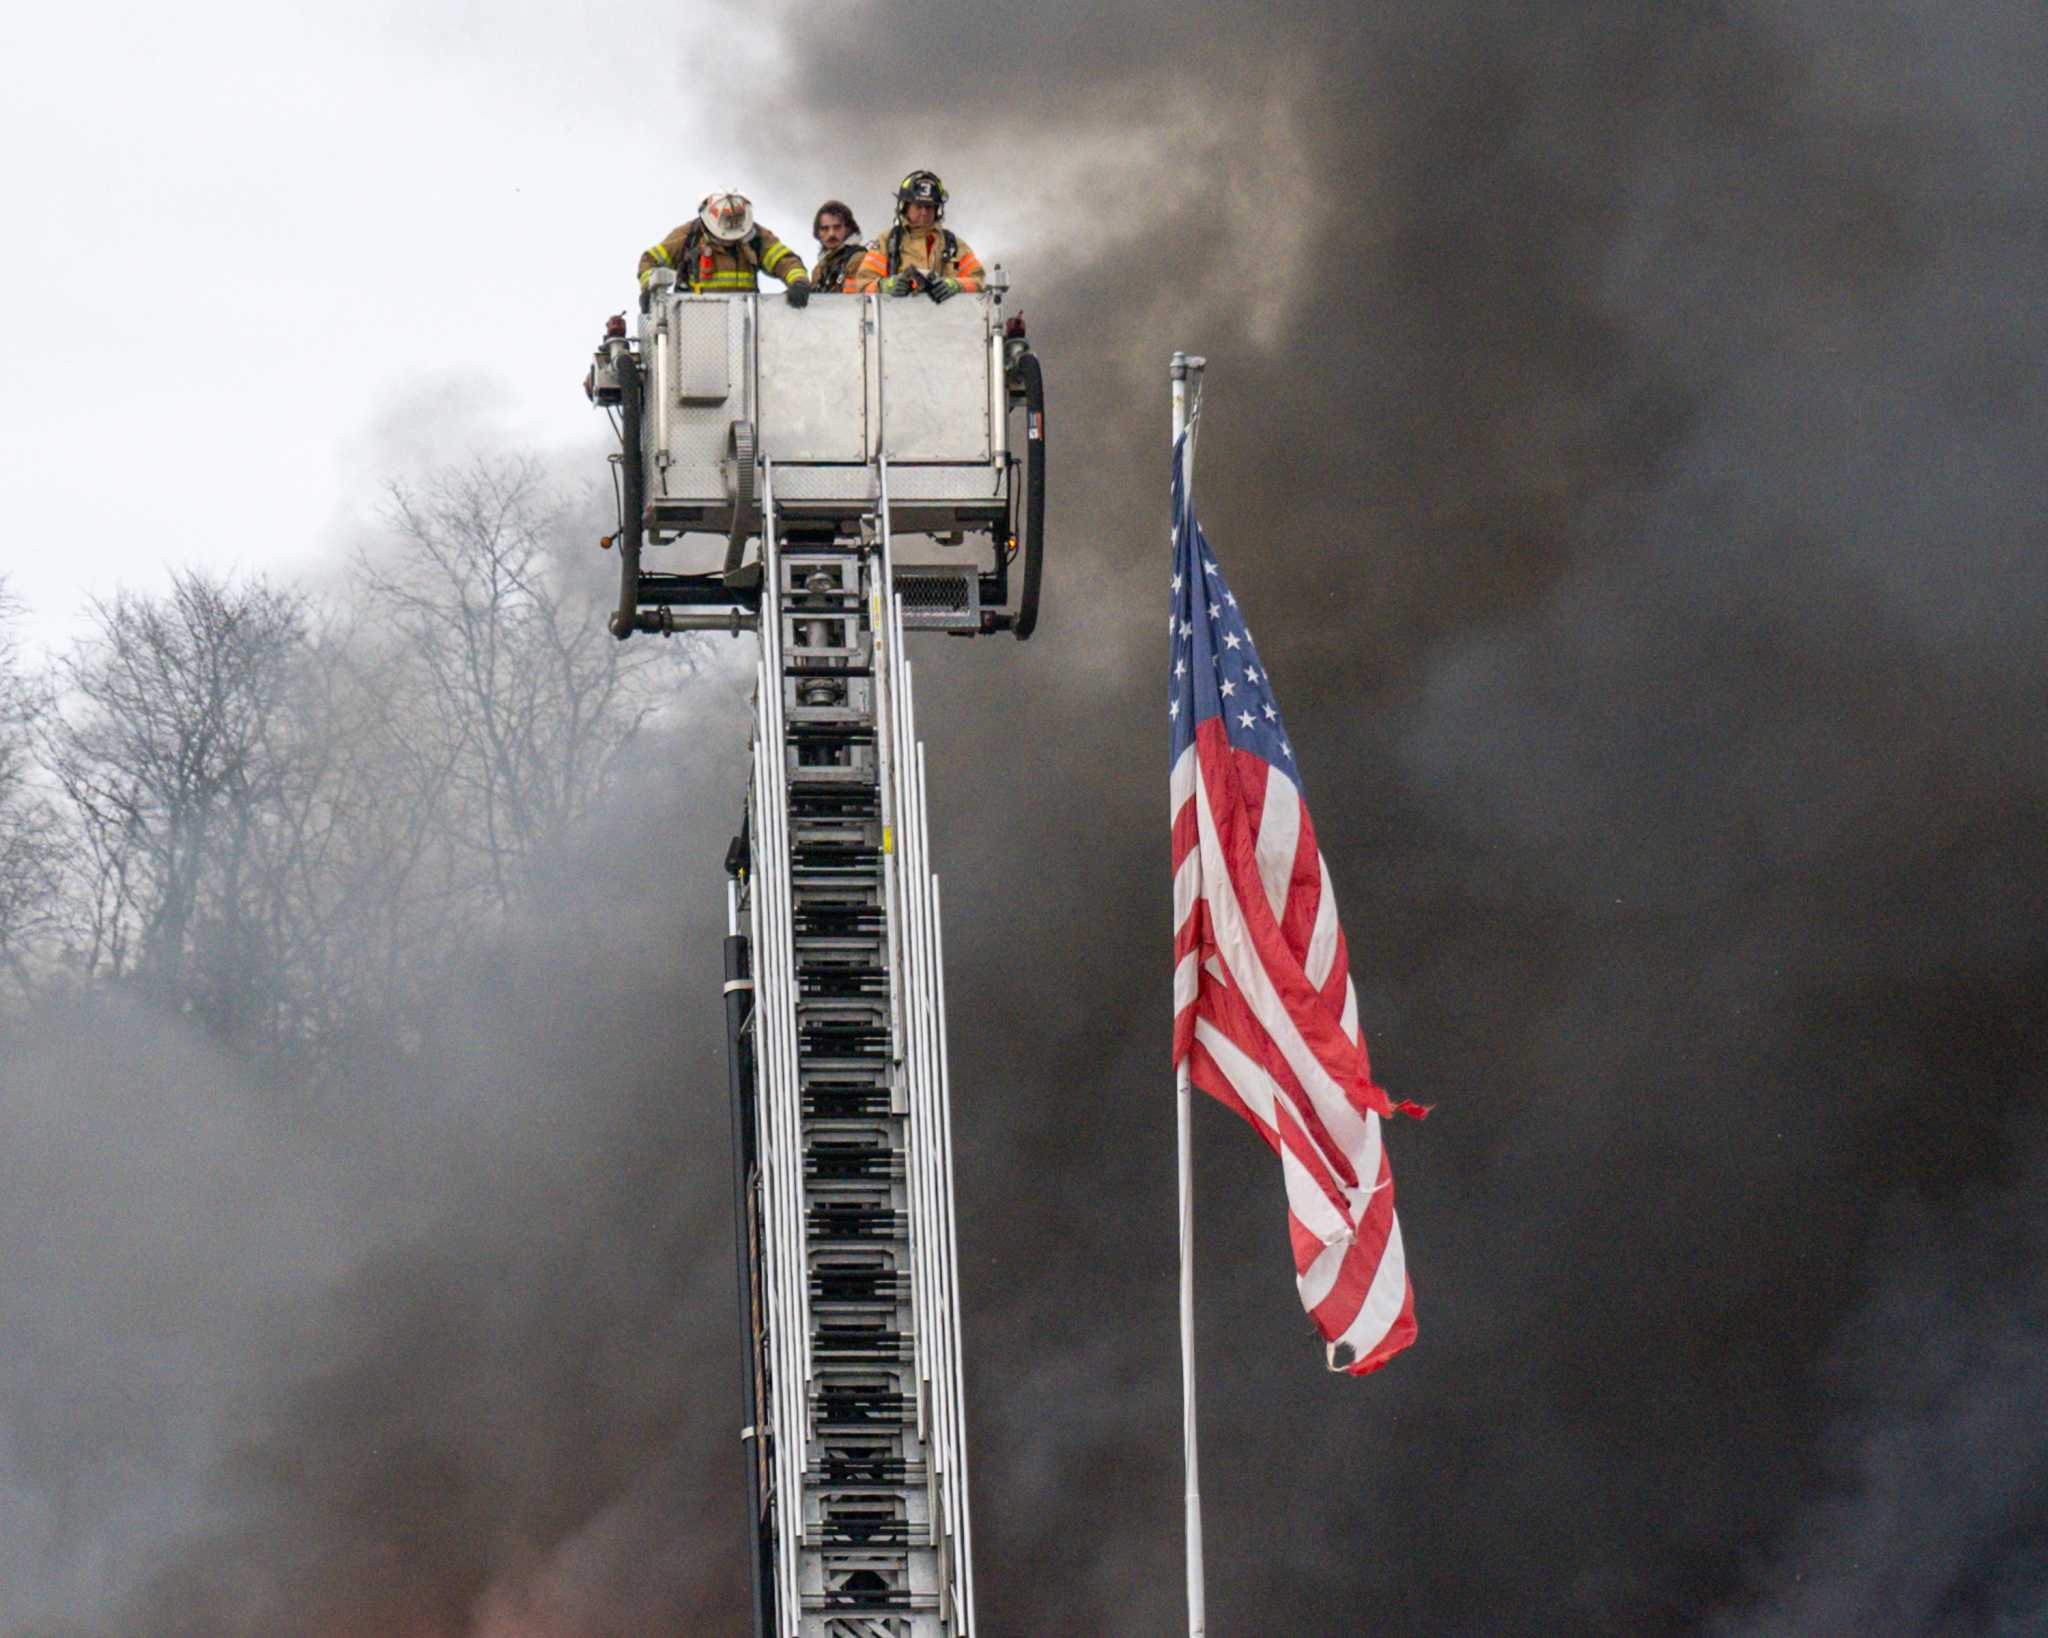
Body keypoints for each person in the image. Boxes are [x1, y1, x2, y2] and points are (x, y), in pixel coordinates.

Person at [638, 190, 811, 305]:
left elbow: (784, 260)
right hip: (693, 321)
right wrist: (649, 288)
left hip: (746, 321)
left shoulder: (754, 236)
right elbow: (650, 260)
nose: (731, 239)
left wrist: (798, 281)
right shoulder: (688, 237)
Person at [845, 171, 985, 301]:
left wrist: (955, 285)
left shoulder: (953, 244)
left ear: (937, 210)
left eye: (929, 207)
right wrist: (886, 286)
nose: (924, 212)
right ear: (905, 207)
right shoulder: (887, 242)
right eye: (918, 206)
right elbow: (862, 285)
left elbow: (979, 281)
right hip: (896, 323)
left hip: (944, 323)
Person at [809, 199, 867, 293]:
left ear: (848, 229)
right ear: (818, 233)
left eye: (837, 227)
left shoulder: (858, 258)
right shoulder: (819, 268)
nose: (831, 234)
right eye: (825, 228)